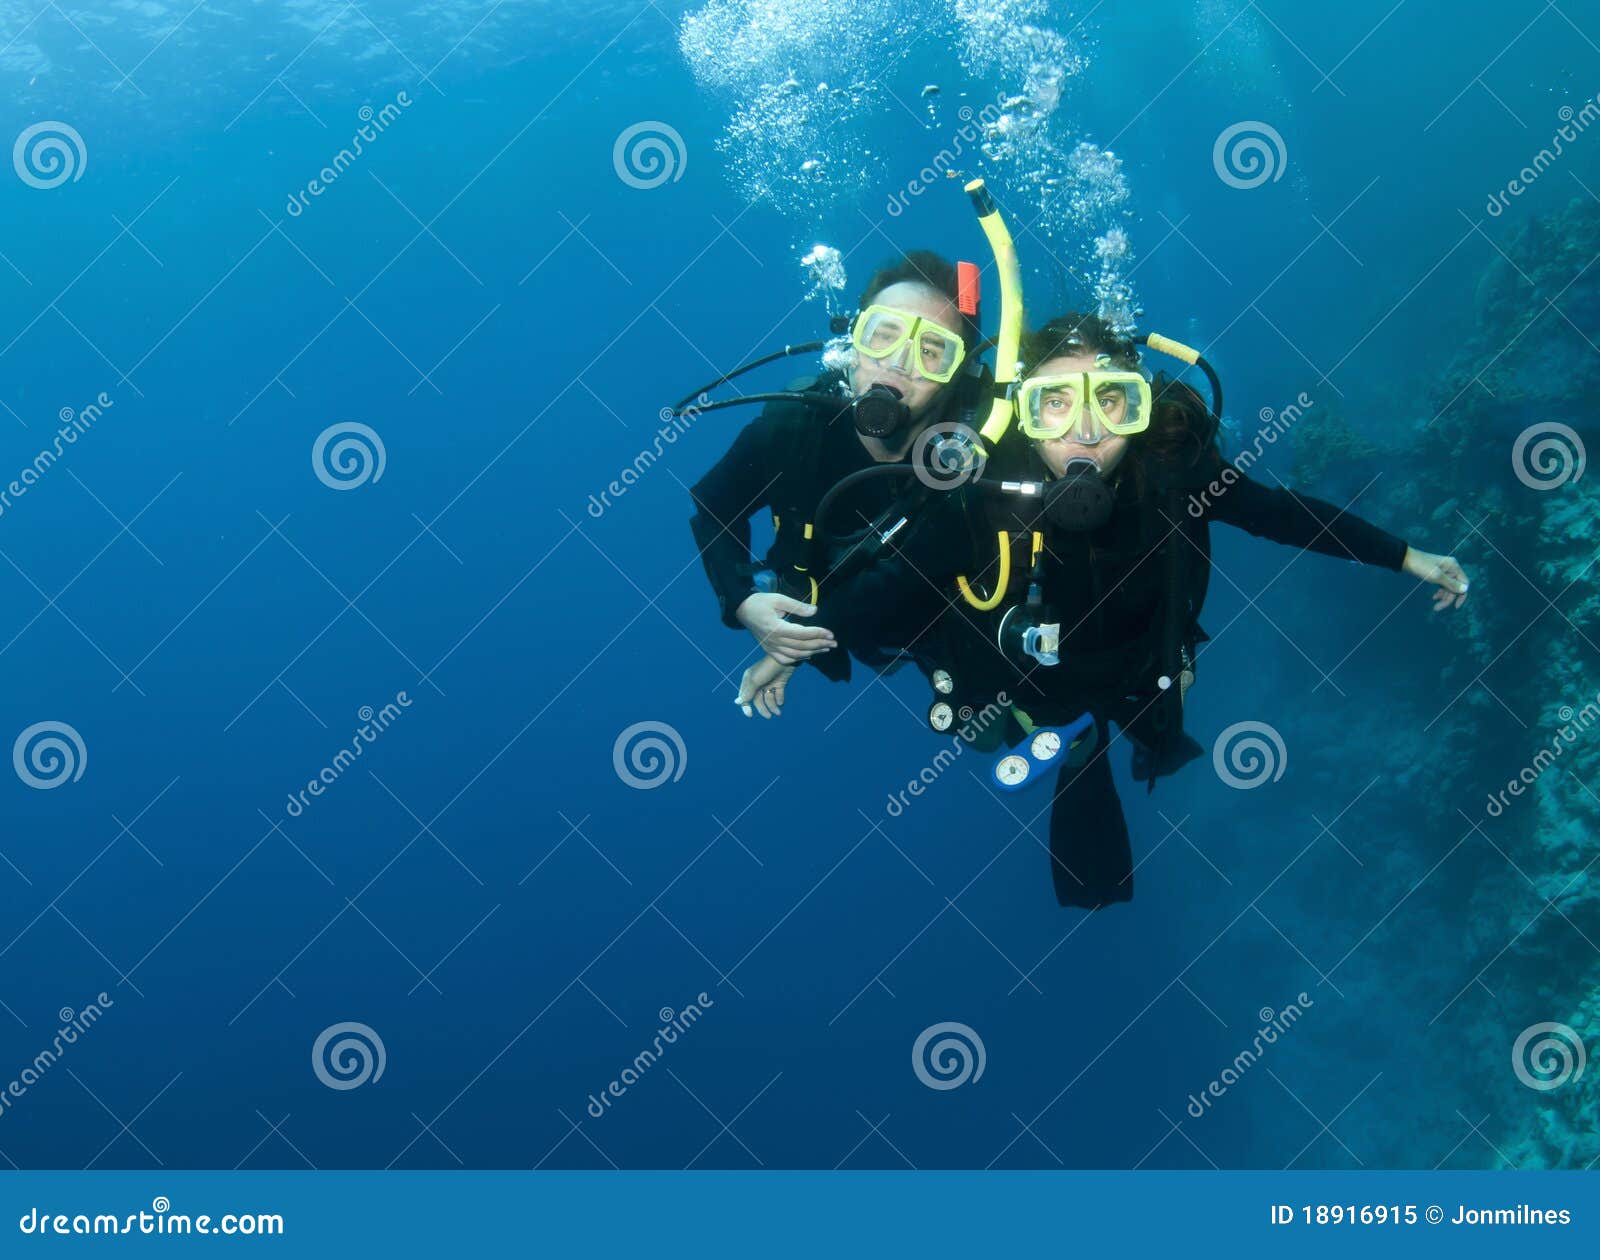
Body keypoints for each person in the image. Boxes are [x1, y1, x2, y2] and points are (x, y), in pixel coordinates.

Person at [750, 311, 1471, 909]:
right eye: (1053, 403)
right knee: (994, 728)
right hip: (1021, 683)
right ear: (1021, 415)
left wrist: (1409, 557)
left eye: (1113, 400)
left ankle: (1086, 738)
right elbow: (892, 586)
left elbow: (1284, 516)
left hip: (1139, 669)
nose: (1086, 431)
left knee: (1145, 728)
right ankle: (1064, 739)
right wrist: (794, 644)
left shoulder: (1174, 473)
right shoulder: (982, 493)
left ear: (1143, 405)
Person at [687, 250, 979, 718]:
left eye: (931, 350)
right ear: (852, 343)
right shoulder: (793, 430)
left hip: (942, 626)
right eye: (883, 335)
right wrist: (741, 602)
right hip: (842, 621)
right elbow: (714, 509)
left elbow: (925, 562)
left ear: (957, 373)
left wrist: (800, 643)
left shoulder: (975, 458)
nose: (900, 362)